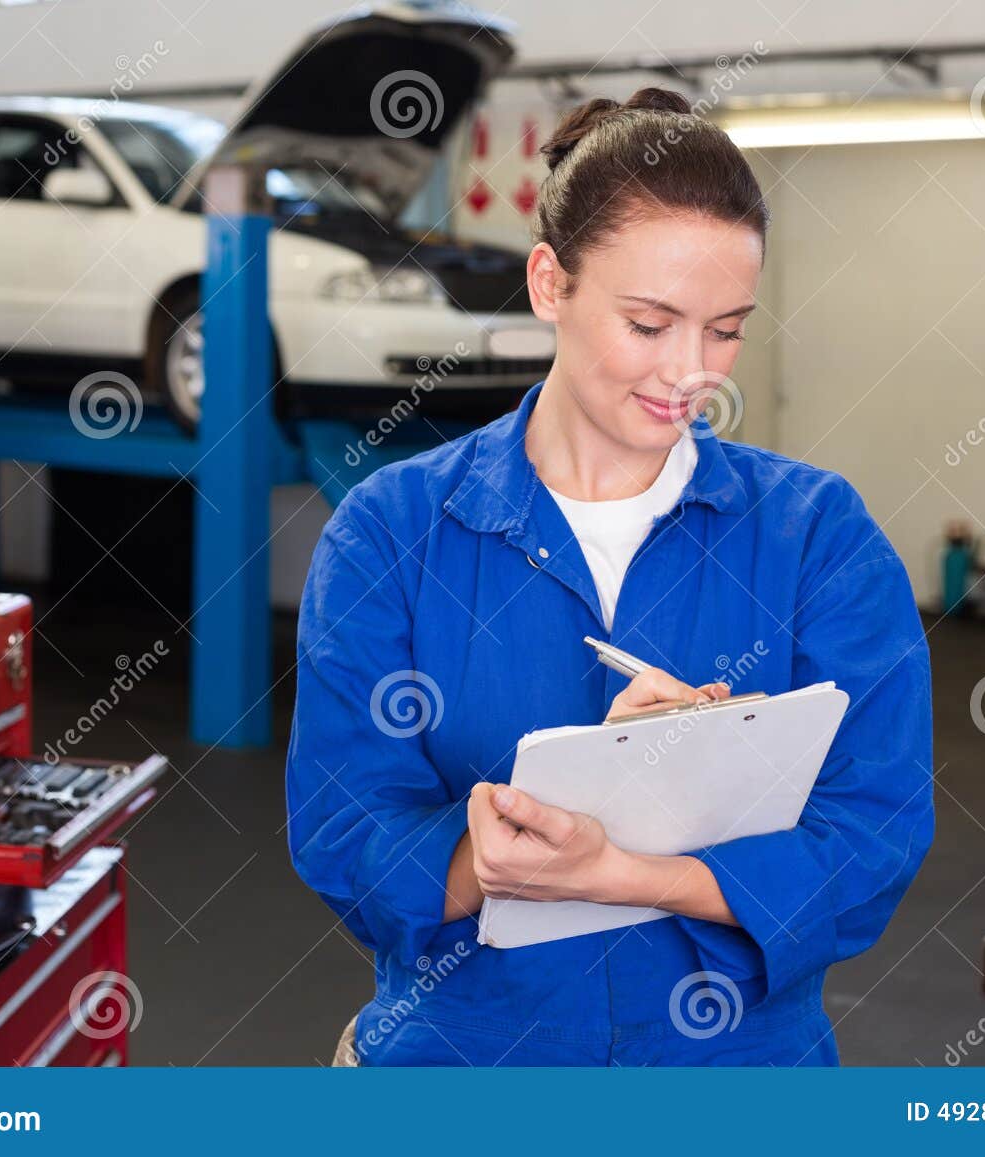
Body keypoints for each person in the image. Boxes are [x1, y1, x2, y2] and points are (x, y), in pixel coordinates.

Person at [286, 87, 933, 1066]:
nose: (689, 368)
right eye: (648, 322)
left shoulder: (816, 537)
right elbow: (344, 824)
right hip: (466, 1059)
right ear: (550, 283)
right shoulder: (391, 532)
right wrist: (473, 862)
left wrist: (634, 866)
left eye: (724, 328)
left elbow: (874, 831)